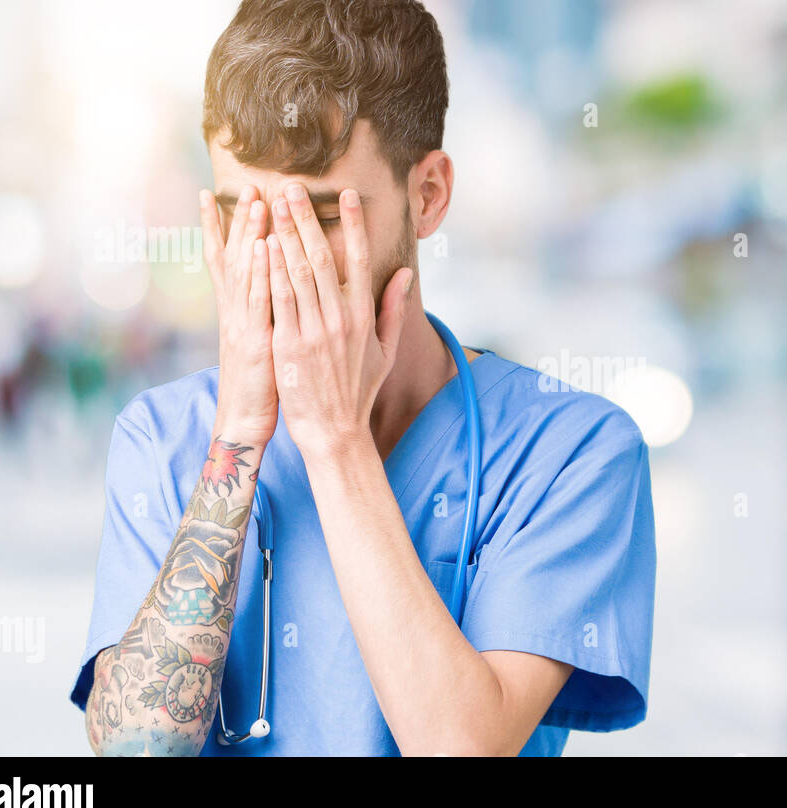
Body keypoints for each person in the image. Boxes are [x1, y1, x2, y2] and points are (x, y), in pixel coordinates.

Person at [71, 0, 656, 756]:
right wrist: (242, 433)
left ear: (429, 195)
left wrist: (337, 442)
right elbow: (133, 750)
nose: (280, 256)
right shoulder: (164, 436)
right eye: (240, 213)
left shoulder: (573, 450)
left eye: (320, 215)